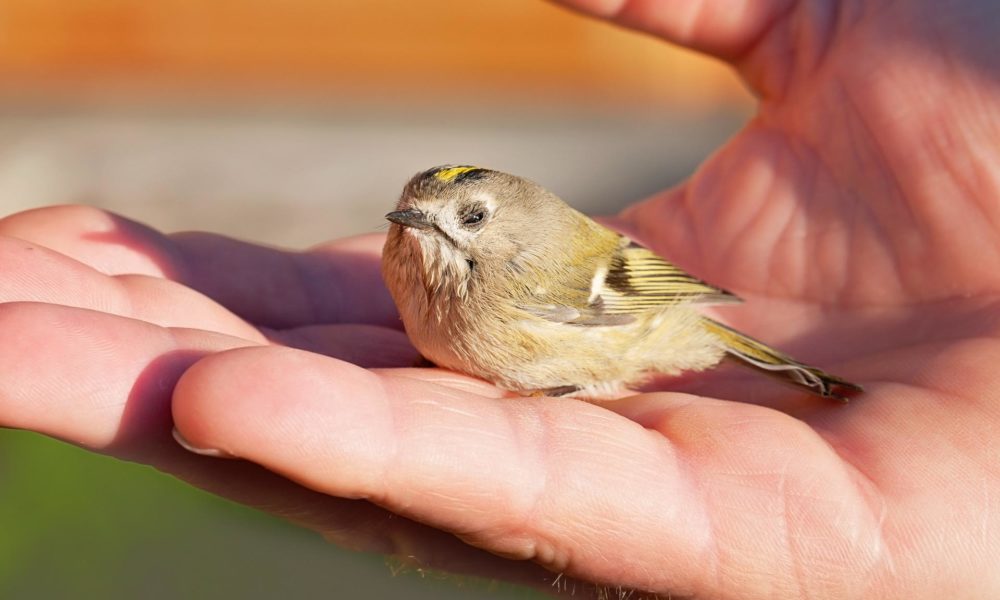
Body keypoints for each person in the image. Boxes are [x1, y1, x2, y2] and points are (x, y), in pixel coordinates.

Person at [2, 0, 998, 597]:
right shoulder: (413, 258)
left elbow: (640, 286)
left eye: (462, 220)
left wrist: (579, 375)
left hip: (636, 313)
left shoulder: (530, 274)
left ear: (506, 227)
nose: (421, 230)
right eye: (415, 213)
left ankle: (791, 377)